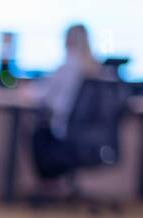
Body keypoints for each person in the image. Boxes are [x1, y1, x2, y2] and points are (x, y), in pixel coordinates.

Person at [30, 25, 105, 183]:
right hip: (89, 137)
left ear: (68, 40)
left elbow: (49, 99)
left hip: (64, 133)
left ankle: (49, 183)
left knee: (37, 133)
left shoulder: (68, 66)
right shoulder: (98, 68)